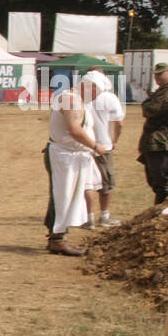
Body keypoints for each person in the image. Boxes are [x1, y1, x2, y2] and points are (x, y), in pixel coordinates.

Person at [44, 81, 108, 255]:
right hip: (64, 157)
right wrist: (95, 146)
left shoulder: (77, 100)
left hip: (73, 156)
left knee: (67, 196)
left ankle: (58, 236)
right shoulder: (70, 100)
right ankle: (57, 239)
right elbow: (74, 130)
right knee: (61, 196)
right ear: (91, 87)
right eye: (96, 93)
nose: (95, 98)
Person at [138, 62, 168, 204]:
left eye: (161, 74)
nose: (158, 78)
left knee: (161, 182)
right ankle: (161, 209)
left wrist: (148, 101)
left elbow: (150, 110)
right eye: (156, 75)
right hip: (157, 141)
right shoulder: (163, 90)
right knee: (155, 180)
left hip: (162, 141)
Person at [84, 68, 125, 227]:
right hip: (103, 145)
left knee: (86, 183)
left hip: (84, 145)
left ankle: (88, 217)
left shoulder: (80, 97)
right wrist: (114, 140)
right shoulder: (109, 97)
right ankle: (104, 215)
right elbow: (119, 123)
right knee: (106, 182)